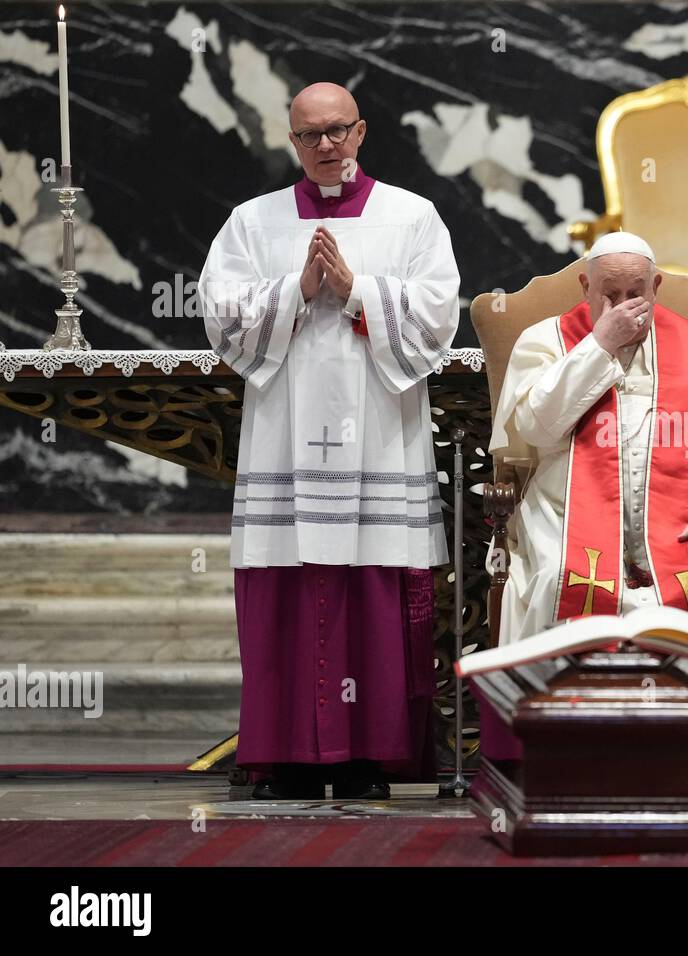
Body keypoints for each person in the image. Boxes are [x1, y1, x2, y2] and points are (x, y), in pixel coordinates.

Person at [199, 82, 460, 800]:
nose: (325, 146)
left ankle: (368, 757)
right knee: (285, 586)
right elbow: (219, 315)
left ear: (362, 131)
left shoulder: (413, 217)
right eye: (310, 135)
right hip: (284, 435)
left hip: (379, 434)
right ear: (292, 142)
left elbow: (439, 316)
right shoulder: (253, 223)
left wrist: (356, 291)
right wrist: (293, 289)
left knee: (372, 588)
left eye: (338, 131)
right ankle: (282, 757)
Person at [488, 232, 688, 767]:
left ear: (657, 286)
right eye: (608, 292)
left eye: (635, 292)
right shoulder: (545, 341)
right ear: (584, 285)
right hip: (565, 515)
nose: (623, 305)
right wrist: (598, 345)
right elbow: (536, 427)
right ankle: (564, 756)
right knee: (558, 578)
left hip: (684, 519)